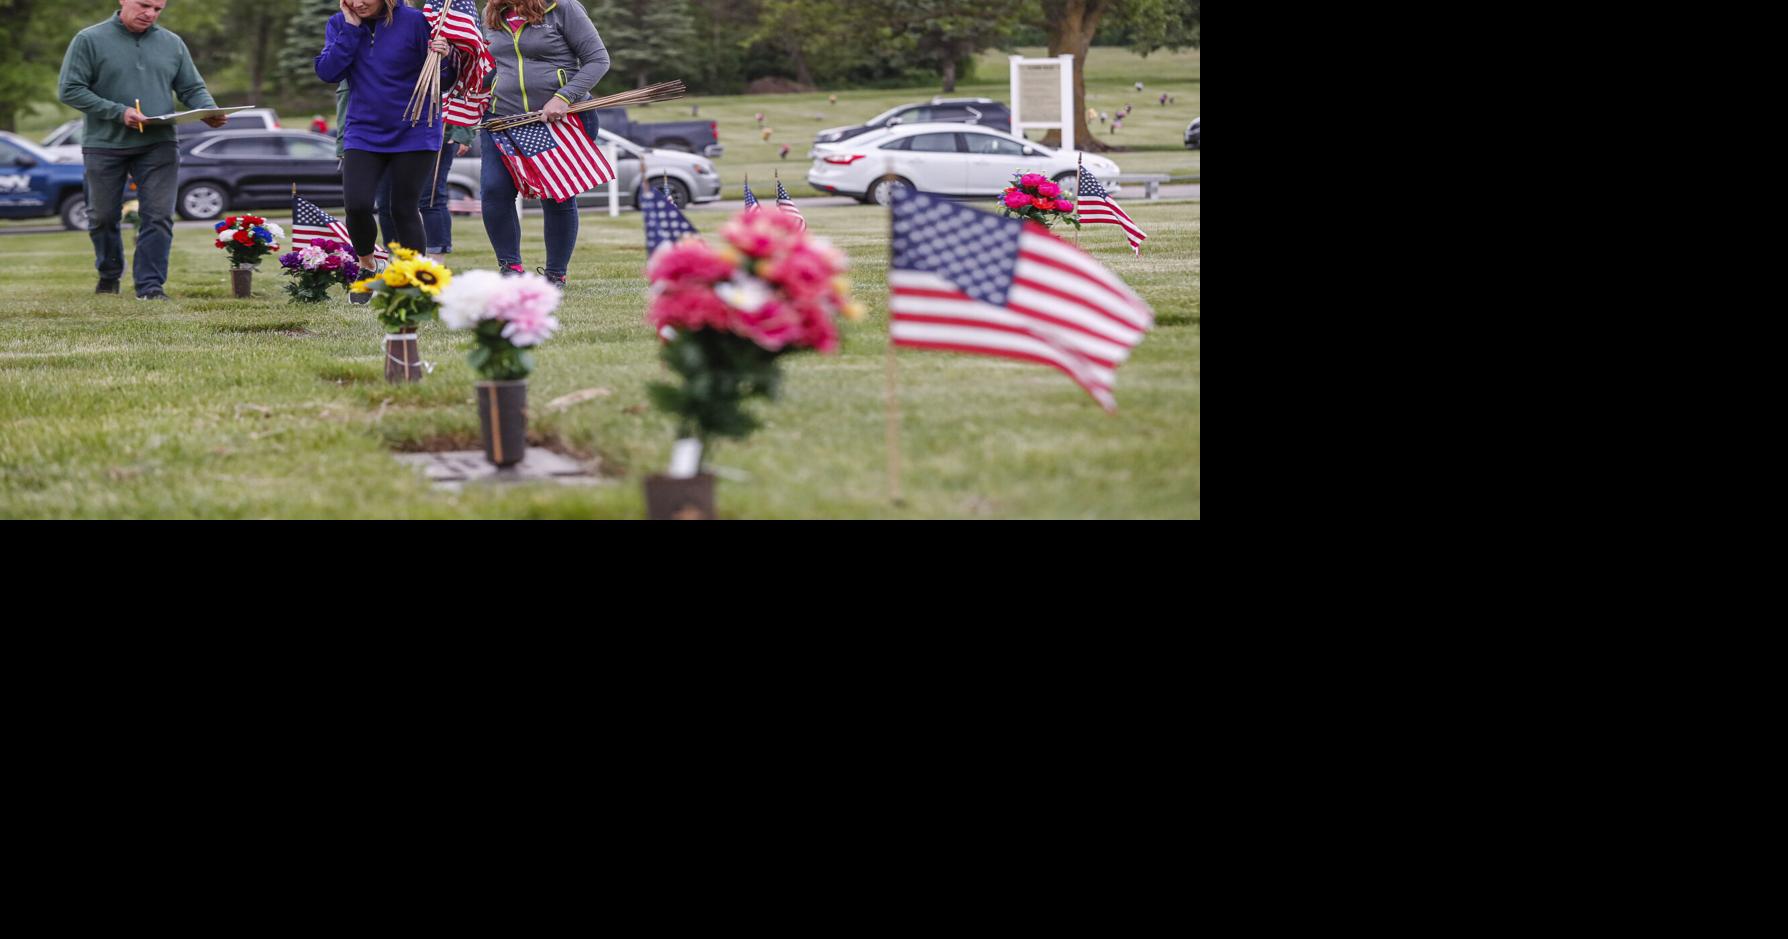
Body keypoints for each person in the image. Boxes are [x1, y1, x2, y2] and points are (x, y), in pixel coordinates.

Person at [58, 0, 229, 300]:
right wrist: (117, 111)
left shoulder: (171, 43)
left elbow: (191, 88)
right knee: (102, 216)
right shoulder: (89, 39)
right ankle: (109, 274)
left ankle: (150, 286)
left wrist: (208, 110)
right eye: (144, 5)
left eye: (158, 9)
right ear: (124, 0)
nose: (150, 13)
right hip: (104, 144)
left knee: (159, 215)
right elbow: (70, 88)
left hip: (159, 142)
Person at [315, 0, 452, 279]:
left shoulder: (415, 21)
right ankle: (367, 264)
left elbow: (445, 81)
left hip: (414, 128)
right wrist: (351, 30)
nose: (358, 3)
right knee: (357, 205)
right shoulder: (339, 23)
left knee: (403, 207)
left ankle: (414, 278)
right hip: (363, 130)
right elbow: (328, 72)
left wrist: (445, 57)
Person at [479, 0, 610, 287]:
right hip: (504, 119)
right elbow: (496, 65)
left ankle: (555, 275)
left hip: (560, 119)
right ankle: (510, 269)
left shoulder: (563, 8)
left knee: (556, 195)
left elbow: (598, 60)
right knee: (494, 191)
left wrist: (563, 97)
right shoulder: (492, 14)